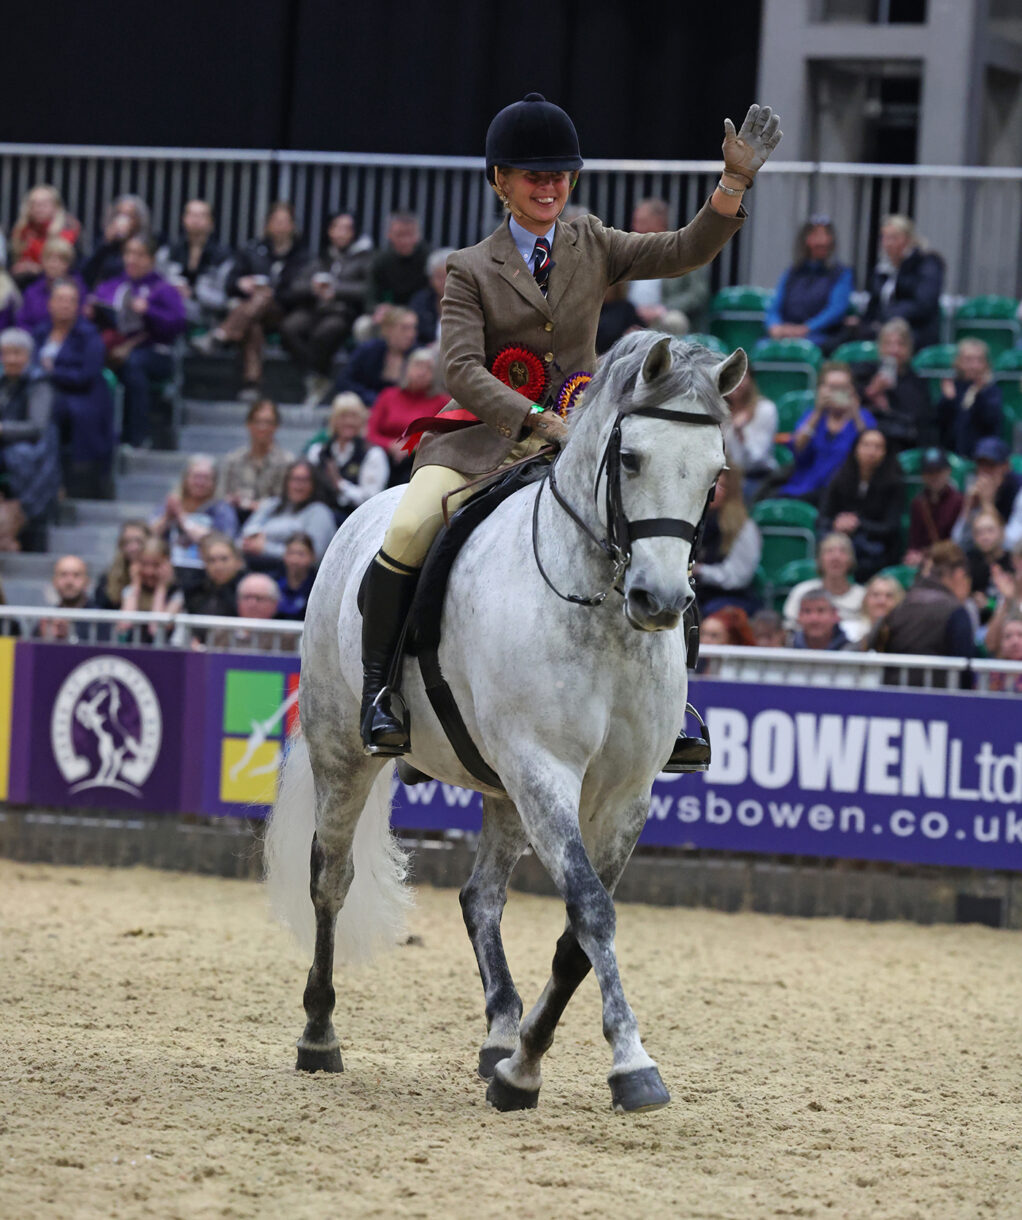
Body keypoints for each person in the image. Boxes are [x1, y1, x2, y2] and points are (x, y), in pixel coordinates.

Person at [358, 91, 782, 769]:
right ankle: (381, 691)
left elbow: (684, 250)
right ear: (501, 180)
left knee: (660, 538)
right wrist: (531, 417)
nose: (550, 186)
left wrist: (732, 182)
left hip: (583, 442)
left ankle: (672, 707)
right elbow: (461, 370)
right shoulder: (470, 268)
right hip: (484, 436)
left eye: (559, 175)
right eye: (534, 175)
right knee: (409, 530)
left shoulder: (592, 241)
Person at [194, 202, 307, 401]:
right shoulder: (253, 250)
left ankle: (221, 334)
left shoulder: (302, 256)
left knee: (263, 297)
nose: (280, 226)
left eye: (284, 221)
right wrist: (241, 283)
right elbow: (229, 283)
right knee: (253, 326)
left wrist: (273, 292)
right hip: (251, 314)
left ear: (292, 226)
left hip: (284, 313)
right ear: (267, 225)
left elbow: (299, 291)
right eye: (275, 221)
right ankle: (251, 385)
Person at [91, 235, 187, 448]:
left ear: (151, 259)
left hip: (155, 351)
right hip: (112, 348)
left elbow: (179, 324)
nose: (132, 259)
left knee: (132, 366)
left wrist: (150, 311)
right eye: (129, 253)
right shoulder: (113, 284)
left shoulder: (164, 289)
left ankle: (136, 436)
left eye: (140, 255)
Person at [280, 212, 374, 406]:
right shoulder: (321, 257)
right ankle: (315, 374)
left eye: (347, 228)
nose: (341, 233)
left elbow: (368, 289)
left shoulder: (364, 258)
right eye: (337, 227)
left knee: (326, 331)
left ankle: (318, 376)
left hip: (343, 311)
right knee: (290, 327)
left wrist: (336, 290)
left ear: (354, 232)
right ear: (329, 231)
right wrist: (313, 288)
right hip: (314, 308)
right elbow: (296, 285)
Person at [35, 278, 115, 499]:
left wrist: (52, 372)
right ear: (50, 303)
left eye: (71, 301)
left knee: (50, 414)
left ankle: (54, 481)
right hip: (40, 393)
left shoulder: (89, 335)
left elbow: (86, 376)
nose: (65, 305)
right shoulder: (40, 332)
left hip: (82, 396)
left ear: (78, 305)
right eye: (60, 299)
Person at [865, 541, 974, 675]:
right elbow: (964, 671)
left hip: (895, 691)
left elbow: (876, 645)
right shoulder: (955, 611)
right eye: (968, 580)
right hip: (938, 693)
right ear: (959, 574)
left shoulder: (902, 604)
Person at [777, 361, 877, 504]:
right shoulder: (812, 416)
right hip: (807, 488)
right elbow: (798, 448)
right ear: (820, 389)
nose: (837, 392)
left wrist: (854, 412)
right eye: (832, 387)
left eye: (842, 387)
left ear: (852, 390)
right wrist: (818, 412)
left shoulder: (863, 418)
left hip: (844, 492)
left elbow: (870, 450)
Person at [0, 328, 60, 551]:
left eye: (17, 353)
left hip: (34, 445)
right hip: (5, 444)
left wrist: (3, 429)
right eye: (6, 353)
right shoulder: (2, 380)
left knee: (21, 459)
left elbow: (36, 427)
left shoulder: (40, 381)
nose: (11, 359)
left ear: (28, 356)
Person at [818, 427, 904, 579]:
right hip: (842, 540)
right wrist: (837, 523)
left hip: (876, 549)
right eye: (866, 445)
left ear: (885, 452)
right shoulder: (839, 477)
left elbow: (891, 527)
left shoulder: (894, 483)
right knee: (829, 543)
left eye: (878, 447)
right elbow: (823, 516)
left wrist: (858, 524)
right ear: (856, 448)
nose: (871, 451)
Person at [764, 214, 853, 353]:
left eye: (825, 235)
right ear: (805, 240)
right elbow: (774, 306)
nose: (821, 241)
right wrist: (774, 326)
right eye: (815, 235)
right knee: (762, 349)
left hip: (820, 336)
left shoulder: (841, 274)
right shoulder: (792, 273)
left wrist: (807, 328)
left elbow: (836, 310)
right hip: (786, 333)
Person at [150, 455, 238, 593]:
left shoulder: (222, 509)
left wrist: (181, 517)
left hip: (207, 575)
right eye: (196, 477)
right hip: (168, 571)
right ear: (186, 479)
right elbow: (148, 536)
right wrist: (166, 517)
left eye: (206, 478)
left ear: (214, 482)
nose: (200, 482)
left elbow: (218, 542)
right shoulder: (171, 504)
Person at [624, 197, 712, 335]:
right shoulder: (628, 250)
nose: (635, 227)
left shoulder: (684, 249)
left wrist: (663, 309)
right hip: (631, 315)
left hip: (665, 315)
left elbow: (698, 293)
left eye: (642, 222)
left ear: (660, 222)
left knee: (674, 321)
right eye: (635, 221)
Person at [860, 214, 944, 352]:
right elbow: (873, 306)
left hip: (915, 330)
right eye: (885, 238)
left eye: (894, 238)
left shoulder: (928, 263)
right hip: (881, 330)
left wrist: (888, 316)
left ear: (909, 239)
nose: (888, 243)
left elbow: (924, 304)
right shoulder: (881, 269)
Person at [366, 348, 448, 486]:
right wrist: (390, 445)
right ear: (407, 369)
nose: (422, 373)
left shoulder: (442, 402)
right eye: (417, 366)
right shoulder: (388, 395)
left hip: (419, 460)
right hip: (384, 456)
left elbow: (442, 438)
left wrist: (411, 446)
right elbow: (371, 433)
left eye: (428, 368)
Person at [307, 394, 389, 523]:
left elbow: (371, 498)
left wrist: (341, 485)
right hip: (318, 513)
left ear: (362, 421)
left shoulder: (372, 454)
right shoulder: (318, 451)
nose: (349, 422)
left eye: (354, 417)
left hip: (355, 519)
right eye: (343, 416)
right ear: (333, 420)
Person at [692, 464, 762, 613]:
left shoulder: (742, 526)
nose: (713, 490)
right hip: (694, 593)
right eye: (710, 483)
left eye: (721, 486)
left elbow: (738, 577)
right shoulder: (692, 522)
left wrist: (701, 571)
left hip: (729, 598)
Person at [240, 458, 337, 565]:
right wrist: (250, 544)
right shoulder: (271, 504)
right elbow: (242, 538)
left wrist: (265, 548)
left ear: (314, 484)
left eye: (305, 480)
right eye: (294, 479)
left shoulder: (319, 512)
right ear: (286, 482)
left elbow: (314, 555)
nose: (298, 485)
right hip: (254, 567)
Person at [856, 317, 932, 452]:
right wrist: (872, 391)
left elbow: (919, 420)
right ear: (880, 346)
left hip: (901, 443)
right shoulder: (864, 372)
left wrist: (888, 410)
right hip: (865, 441)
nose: (894, 350)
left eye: (900, 344)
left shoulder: (917, 381)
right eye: (888, 344)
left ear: (909, 348)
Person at [216, 397, 294, 523]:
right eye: (258, 421)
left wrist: (255, 505)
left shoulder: (287, 461)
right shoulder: (233, 459)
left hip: (271, 520)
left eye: (268, 422)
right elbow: (221, 496)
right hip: (235, 516)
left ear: (276, 426)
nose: (262, 427)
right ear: (249, 424)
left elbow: (285, 501)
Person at [155, 199, 231, 328]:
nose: (196, 220)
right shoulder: (168, 252)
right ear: (183, 219)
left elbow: (225, 298)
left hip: (209, 317)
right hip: (171, 311)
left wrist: (194, 293)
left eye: (201, 215)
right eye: (191, 215)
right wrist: (172, 289)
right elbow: (155, 281)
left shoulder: (223, 257)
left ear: (211, 223)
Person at [782, 532, 865, 640]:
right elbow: (789, 631)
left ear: (851, 560)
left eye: (843, 551)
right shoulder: (801, 591)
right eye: (829, 551)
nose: (836, 557)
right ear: (819, 560)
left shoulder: (864, 596)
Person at [336, 305, 419, 405]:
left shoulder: (417, 355)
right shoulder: (369, 350)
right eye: (404, 328)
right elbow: (344, 381)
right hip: (369, 406)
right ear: (387, 329)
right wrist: (372, 398)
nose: (411, 334)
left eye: (413, 328)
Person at [951, 437, 1022, 551]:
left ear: (1006, 466)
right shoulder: (976, 492)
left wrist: (987, 505)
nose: (985, 472)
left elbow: (1012, 544)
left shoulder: (1019, 491)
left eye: (991, 465)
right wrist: (968, 509)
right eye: (981, 465)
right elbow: (959, 542)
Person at [937, 339, 1003, 459]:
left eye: (979, 360)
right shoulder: (952, 388)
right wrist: (948, 400)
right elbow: (940, 425)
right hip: (950, 455)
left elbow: (990, 422)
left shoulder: (991, 391)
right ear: (958, 363)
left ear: (986, 364)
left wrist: (979, 394)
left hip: (984, 458)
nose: (974, 366)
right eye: (968, 360)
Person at [8, 185, 81, 286]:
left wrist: (38, 269)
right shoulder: (20, 232)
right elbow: (10, 264)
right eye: (33, 204)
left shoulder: (69, 232)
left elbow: (74, 268)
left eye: (44, 204)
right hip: (23, 285)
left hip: (58, 286)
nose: (38, 208)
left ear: (56, 207)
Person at [117, 537, 184, 645]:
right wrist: (135, 583)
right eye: (144, 564)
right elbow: (124, 626)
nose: (149, 571)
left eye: (156, 565)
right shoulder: (131, 590)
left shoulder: (176, 593)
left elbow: (156, 630)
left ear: (167, 564)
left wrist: (161, 587)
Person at [724, 367, 777, 497]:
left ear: (751, 380)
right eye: (730, 377)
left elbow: (758, 458)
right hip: (723, 477)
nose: (735, 382)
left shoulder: (765, 410)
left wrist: (741, 433)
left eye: (741, 377)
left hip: (755, 476)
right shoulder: (717, 411)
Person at [905, 447, 963, 564]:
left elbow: (959, 540)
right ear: (923, 475)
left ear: (948, 471)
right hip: (923, 561)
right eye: (929, 472)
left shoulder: (959, 501)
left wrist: (930, 554)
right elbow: (914, 541)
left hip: (950, 559)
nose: (934, 477)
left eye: (938, 472)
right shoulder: (918, 502)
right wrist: (913, 554)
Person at [16, 238, 85, 332]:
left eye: (61, 260)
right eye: (49, 259)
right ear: (42, 262)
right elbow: (22, 321)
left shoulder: (78, 289)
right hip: (34, 340)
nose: (54, 265)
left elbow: (81, 321)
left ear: (69, 264)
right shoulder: (32, 290)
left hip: (70, 341)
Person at [81, 195, 150, 288]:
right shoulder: (107, 243)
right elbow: (86, 273)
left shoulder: (145, 244)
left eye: (129, 215)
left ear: (139, 220)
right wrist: (106, 242)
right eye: (119, 214)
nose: (123, 219)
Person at [365, 213, 429, 311]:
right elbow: (371, 297)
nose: (405, 241)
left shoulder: (429, 260)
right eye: (400, 235)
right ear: (389, 234)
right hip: (389, 314)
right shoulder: (380, 261)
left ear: (418, 235)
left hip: (423, 313)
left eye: (410, 234)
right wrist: (378, 309)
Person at [964, 508, 1009, 627]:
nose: (985, 537)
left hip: (1006, 626)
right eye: (979, 532)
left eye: (990, 530)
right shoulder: (968, 562)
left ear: (1002, 531)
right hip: (975, 623)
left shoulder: (1013, 563)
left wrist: (989, 604)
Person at [34, 554, 95, 640]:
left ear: (87, 581)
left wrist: (71, 634)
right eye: (63, 575)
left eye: (76, 575)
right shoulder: (47, 619)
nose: (69, 581)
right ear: (54, 581)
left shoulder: (102, 619)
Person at [183, 532, 244, 618]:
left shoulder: (249, 590)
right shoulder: (195, 589)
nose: (218, 566)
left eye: (224, 559)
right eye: (211, 560)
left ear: (238, 561)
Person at [94, 519, 150, 610]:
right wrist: (134, 583)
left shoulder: (161, 578)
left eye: (139, 542)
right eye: (127, 542)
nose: (133, 548)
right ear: (120, 546)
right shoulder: (107, 580)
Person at [983, 539, 1022, 661]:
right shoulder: (1008, 593)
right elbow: (990, 643)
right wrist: (1008, 600)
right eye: (1017, 561)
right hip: (1005, 673)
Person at [409, 248, 454, 347]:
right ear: (430, 279)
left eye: (448, 276)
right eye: (439, 277)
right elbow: (414, 335)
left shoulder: (469, 300)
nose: (444, 281)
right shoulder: (421, 301)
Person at [790, 586, 853, 651]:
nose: (814, 618)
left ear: (835, 615)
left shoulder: (854, 652)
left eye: (821, 611)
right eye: (807, 611)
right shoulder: (786, 648)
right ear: (798, 617)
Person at [275, 531, 317, 621]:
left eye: (301, 554)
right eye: (291, 553)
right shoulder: (274, 583)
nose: (295, 560)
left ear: (312, 556)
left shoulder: (318, 588)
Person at [855, 572, 905, 647]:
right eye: (875, 595)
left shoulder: (906, 634)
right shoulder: (849, 631)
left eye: (889, 596)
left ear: (899, 601)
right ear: (865, 599)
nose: (881, 601)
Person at [987, 615, 1022, 693]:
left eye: (1020, 635)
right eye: (1008, 636)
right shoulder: (989, 672)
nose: (1015, 641)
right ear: (1000, 643)